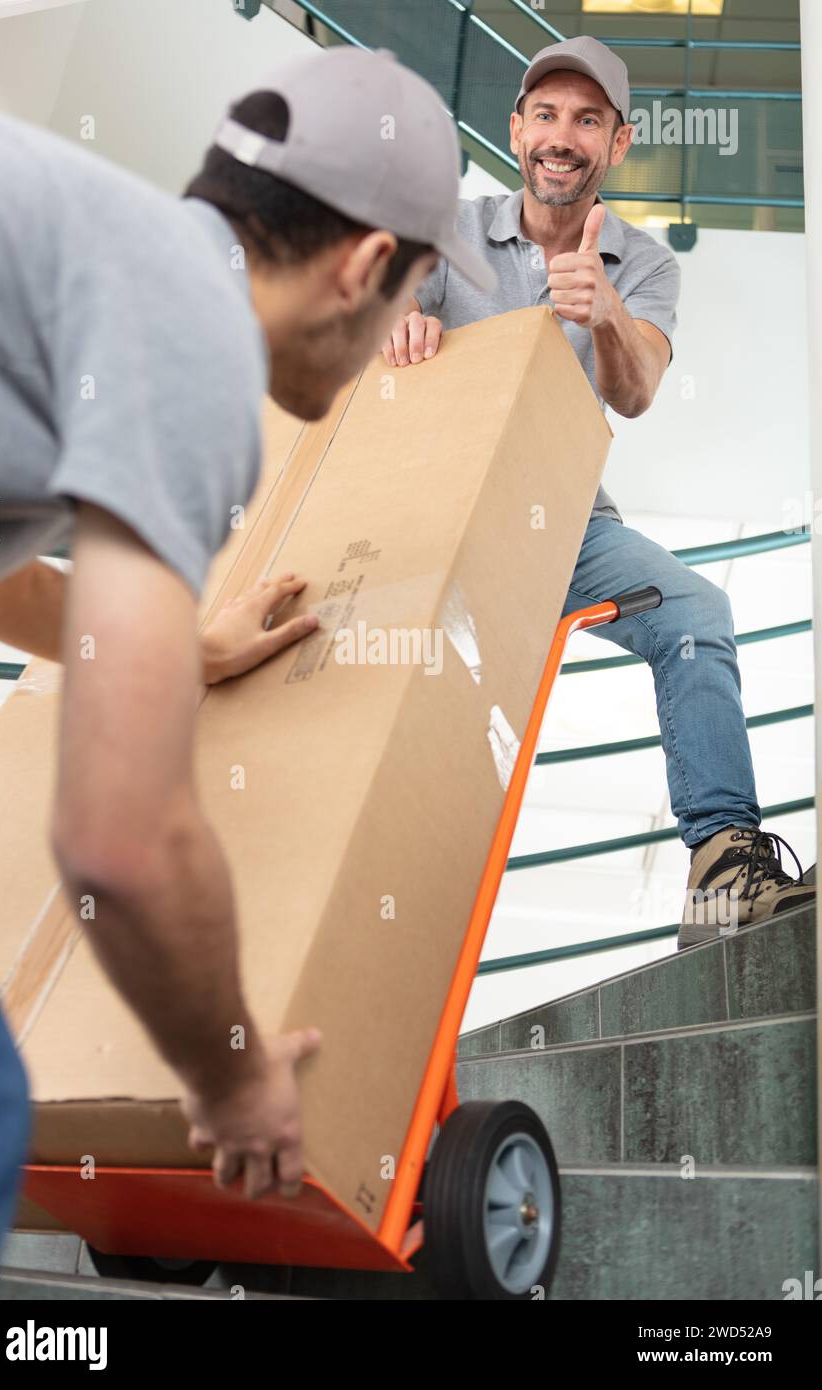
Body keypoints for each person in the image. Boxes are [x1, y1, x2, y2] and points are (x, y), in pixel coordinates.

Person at [0, 45, 496, 1279]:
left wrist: (185, 650)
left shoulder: (96, 268)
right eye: (416, 291)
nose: (398, 333)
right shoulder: (189, 346)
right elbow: (119, 838)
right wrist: (234, 1074)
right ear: (365, 268)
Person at [384, 35, 814, 952]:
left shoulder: (648, 266)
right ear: (517, 128)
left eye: (588, 120)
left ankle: (724, 875)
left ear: (617, 145)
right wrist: (403, 322)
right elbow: (373, 309)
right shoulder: (445, 230)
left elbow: (638, 391)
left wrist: (603, 308)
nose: (562, 136)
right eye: (546, 114)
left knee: (697, 611)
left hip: (570, 525)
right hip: (439, 515)